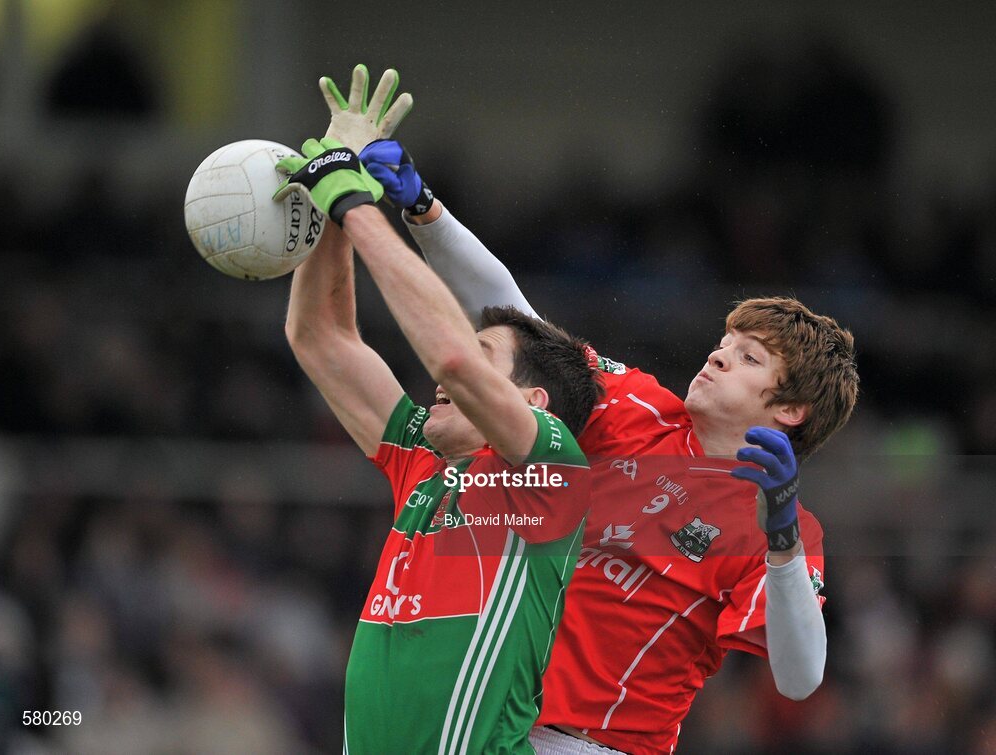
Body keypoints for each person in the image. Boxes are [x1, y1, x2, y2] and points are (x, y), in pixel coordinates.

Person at [353, 128, 859, 754]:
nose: (718, 358)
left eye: (748, 359)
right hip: (484, 712)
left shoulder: (783, 526)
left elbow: (801, 677)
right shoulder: (637, 405)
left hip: (591, 746)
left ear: (790, 410)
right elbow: (520, 331)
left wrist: (779, 533)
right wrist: (425, 212)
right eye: (723, 345)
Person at [273, 78, 603, 753]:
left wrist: (356, 202)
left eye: (491, 359)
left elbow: (452, 358)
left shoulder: (550, 470)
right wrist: (331, 199)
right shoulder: (422, 462)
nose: (443, 379)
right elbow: (321, 339)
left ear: (532, 402)